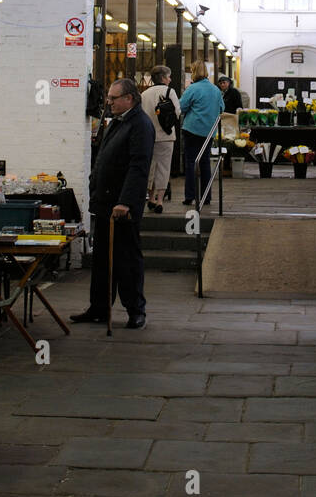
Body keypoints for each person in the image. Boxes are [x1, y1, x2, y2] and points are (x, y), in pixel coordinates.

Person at [71, 78, 154, 330]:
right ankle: (99, 307)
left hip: (122, 207)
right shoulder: (117, 122)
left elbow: (138, 166)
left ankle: (135, 310)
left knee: (126, 259)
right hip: (105, 203)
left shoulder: (140, 124)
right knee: (102, 261)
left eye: (113, 98)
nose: (109, 102)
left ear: (129, 98)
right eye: (109, 97)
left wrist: (126, 202)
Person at [178, 61, 224, 206]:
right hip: (209, 131)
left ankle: (190, 196)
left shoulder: (192, 88)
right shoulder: (215, 89)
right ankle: (206, 196)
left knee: (191, 163)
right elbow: (222, 108)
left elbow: (181, 107)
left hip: (192, 129)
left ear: (194, 72)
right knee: (204, 162)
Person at [140, 64, 180, 213]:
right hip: (166, 136)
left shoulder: (144, 94)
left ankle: (150, 198)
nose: (170, 79)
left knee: (150, 167)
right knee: (163, 167)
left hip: (149, 136)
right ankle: (160, 200)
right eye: (169, 76)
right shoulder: (170, 91)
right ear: (163, 78)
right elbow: (177, 112)